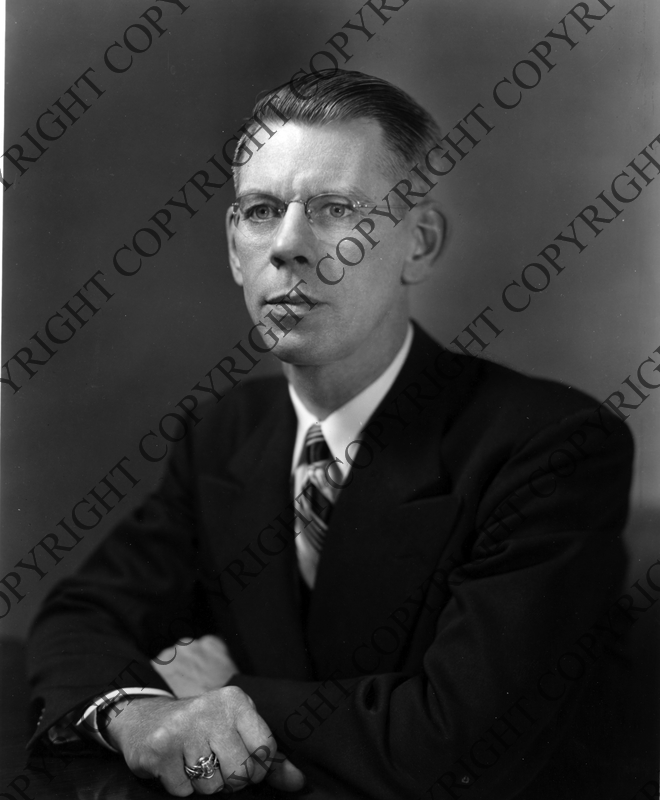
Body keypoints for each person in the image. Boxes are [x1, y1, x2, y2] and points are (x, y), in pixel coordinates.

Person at [26, 70, 634, 799]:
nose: (287, 247)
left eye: (336, 209)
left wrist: (227, 691)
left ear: (421, 242)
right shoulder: (227, 432)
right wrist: (142, 716)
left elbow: (453, 741)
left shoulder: (552, 446)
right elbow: (80, 617)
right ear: (232, 247)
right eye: (260, 211)